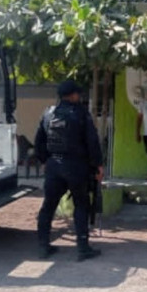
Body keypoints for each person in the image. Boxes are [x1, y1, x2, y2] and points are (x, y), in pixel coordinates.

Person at [34, 80, 104, 261]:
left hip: (53, 167)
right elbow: (92, 142)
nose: (79, 97)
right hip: (76, 167)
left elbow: (39, 142)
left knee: (48, 206)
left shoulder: (48, 113)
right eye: (78, 94)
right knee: (81, 205)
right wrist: (97, 165)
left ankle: (43, 246)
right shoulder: (81, 114)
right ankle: (83, 248)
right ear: (72, 95)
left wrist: (45, 161)